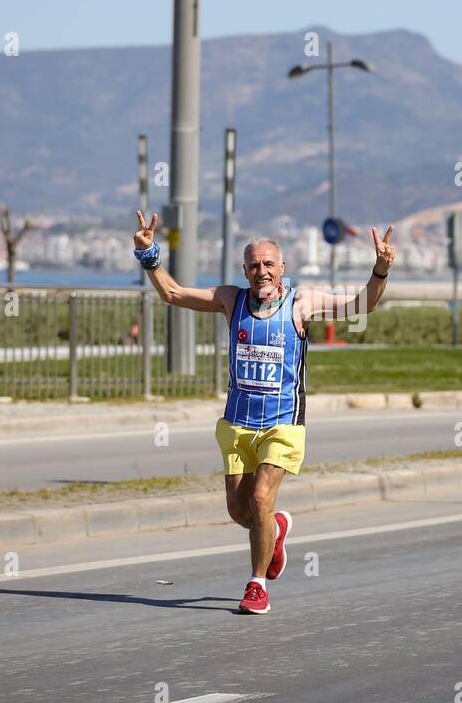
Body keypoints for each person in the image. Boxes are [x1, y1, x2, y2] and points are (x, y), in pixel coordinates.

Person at [132, 210, 397, 613]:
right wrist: (149, 252)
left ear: (282, 268)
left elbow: (362, 305)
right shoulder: (230, 300)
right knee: (241, 511)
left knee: (259, 499)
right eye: (254, 265)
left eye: (269, 264)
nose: (262, 271)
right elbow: (172, 294)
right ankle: (277, 529)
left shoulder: (302, 302)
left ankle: (256, 586)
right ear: (245, 270)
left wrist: (379, 271)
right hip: (238, 423)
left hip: (283, 426)